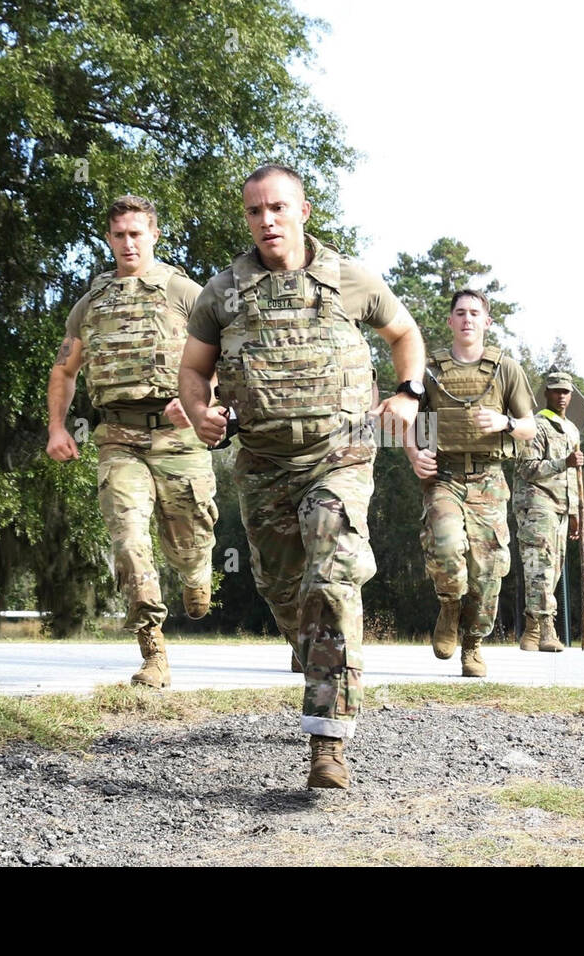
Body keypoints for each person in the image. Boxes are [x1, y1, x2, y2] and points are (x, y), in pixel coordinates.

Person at [178, 164, 424, 789]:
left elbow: (404, 333)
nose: (267, 221)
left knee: (333, 563)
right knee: (286, 592)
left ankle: (327, 738)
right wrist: (203, 414)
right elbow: (193, 369)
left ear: (303, 211)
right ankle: (316, 652)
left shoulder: (347, 278)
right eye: (256, 211)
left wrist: (407, 394)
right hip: (262, 464)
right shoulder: (223, 292)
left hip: (342, 451)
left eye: (278, 208)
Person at [46, 195, 219, 689]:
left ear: (154, 235)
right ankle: (153, 652)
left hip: (180, 437)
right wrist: (57, 427)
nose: (128, 242)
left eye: (137, 233)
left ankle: (196, 570)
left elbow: (224, 362)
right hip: (117, 437)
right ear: (108, 238)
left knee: (188, 544)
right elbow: (64, 369)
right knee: (128, 538)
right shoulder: (91, 304)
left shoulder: (185, 293)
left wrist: (198, 401)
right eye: (119, 234)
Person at [406, 290, 536, 677]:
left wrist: (506, 423)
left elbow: (530, 426)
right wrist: (415, 455)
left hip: (489, 480)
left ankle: (473, 645)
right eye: (460, 313)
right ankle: (449, 606)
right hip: (443, 475)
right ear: (450, 321)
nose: (467, 319)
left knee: (487, 570)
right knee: (446, 547)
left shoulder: (506, 369)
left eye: (474, 313)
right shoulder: (429, 370)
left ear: (487, 322)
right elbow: (408, 421)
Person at [512, 368, 583, 652]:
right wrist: (562, 462)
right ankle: (545, 629)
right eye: (556, 390)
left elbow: (574, 477)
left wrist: (576, 512)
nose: (561, 396)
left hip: (561, 506)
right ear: (546, 393)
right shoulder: (536, 426)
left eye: (566, 391)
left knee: (552, 569)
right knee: (539, 566)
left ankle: (531, 628)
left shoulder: (572, 429)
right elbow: (526, 468)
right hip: (536, 502)